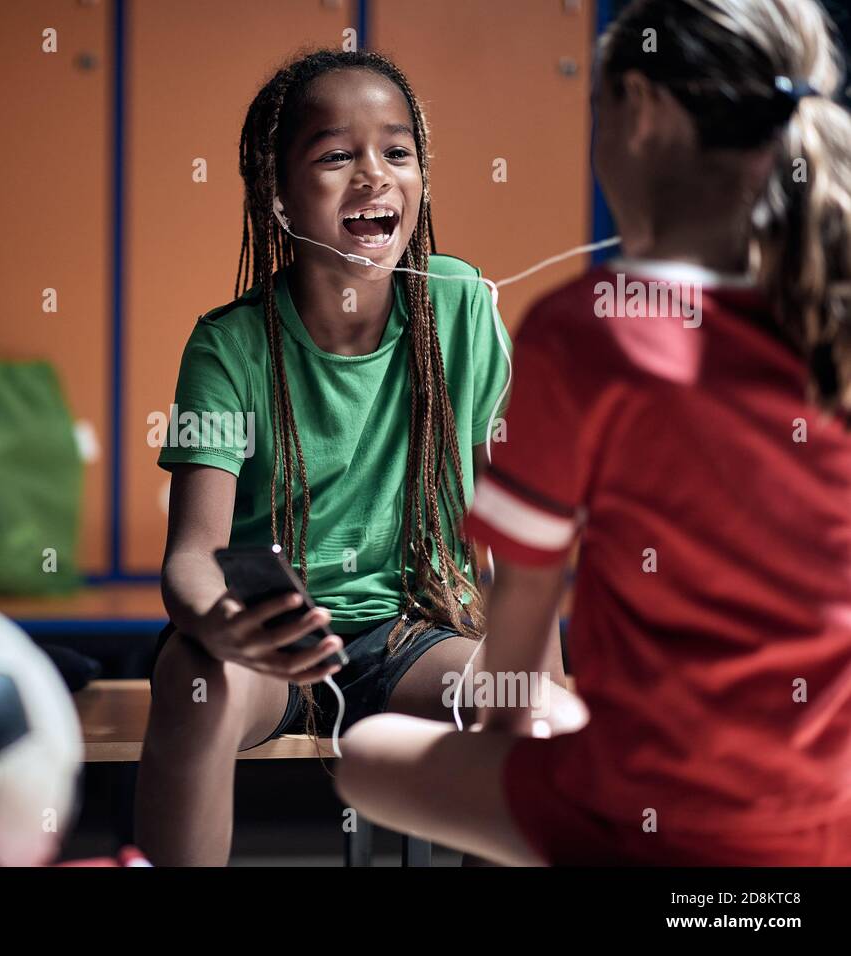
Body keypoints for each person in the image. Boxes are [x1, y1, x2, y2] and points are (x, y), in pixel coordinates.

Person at [336, 0, 851, 866]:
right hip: (827, 814)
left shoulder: (588, 332)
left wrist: (520, 747)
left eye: (597, 113)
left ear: (642, 109)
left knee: (367, 757)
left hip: (645, 810)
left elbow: (521, 625)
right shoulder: (830, 317)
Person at [134, 49, 568, 866]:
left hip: (412, 634)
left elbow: (516, 536)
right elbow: (192, 558)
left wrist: (540, 685)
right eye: (336, 155)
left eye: (397, 152)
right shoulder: (227, 345)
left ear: (423, 179)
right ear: (278, 192)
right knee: (193, 687)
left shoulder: (463, 307)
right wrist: (233, 628)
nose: (374, 174)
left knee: (527, 714)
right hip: (267, 647)